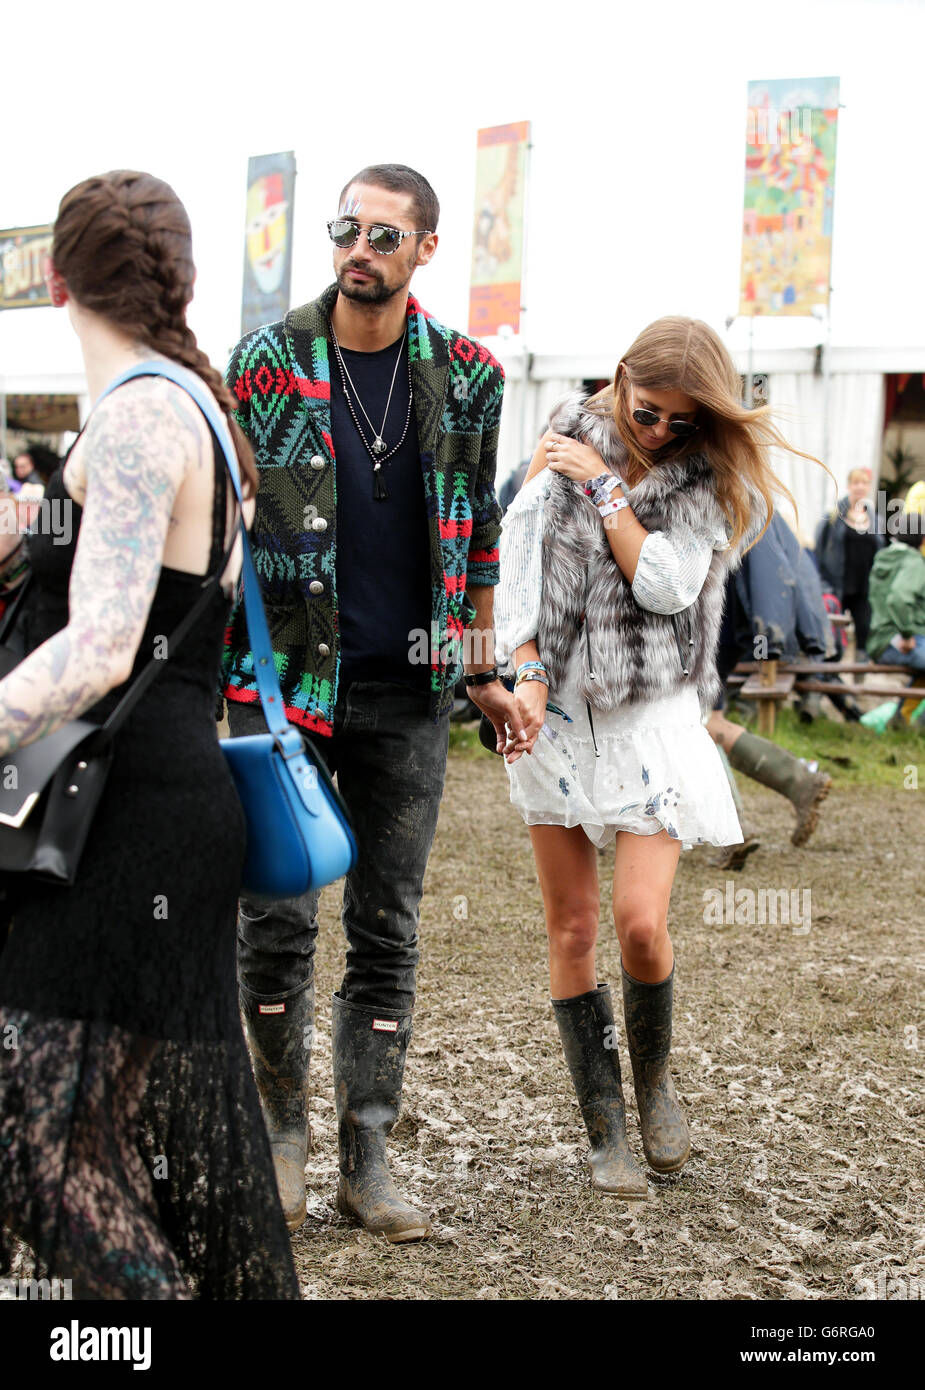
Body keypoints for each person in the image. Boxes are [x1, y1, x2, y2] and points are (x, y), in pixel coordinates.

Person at [0, 170, 299, 1299]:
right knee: (94, 1145)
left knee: (37, 1155)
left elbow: (101, 647)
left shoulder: (138, 414)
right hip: (146, 814)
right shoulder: (187, 405)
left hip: (128, 826)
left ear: (59, 279)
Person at [223, 163, 514, 1241]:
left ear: (424, 248)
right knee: (275, 923)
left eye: (384, 234)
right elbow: (221, 521)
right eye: (347, 227)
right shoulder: (264, 365)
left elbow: (477, 531)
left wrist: (483, 668)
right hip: (284, 688)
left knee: (386, 927)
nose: (359, 247)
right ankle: (280, 1141)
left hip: (410, 691)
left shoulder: (469, 376)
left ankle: (368, 1160)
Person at [495, 317, 817, 1196]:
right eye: (648, 411)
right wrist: (520, 673)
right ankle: (603, 1131)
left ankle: (655, 1082)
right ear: (618, 377)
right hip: (556, 719)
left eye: (680, 420)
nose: (661, 431)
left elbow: (665, 586)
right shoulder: (559, 435)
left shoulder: (705, 480)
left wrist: (605, 487)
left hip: (651, 723)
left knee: (639, 924)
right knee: (571, 928)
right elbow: (512, 574)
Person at [867, 481, 925, 723]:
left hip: (879, 639)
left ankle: (901, 721)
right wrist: (907, 634)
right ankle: (916, 726)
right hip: (899, 642)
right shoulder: (913, 562)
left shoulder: (885, 557)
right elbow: (898, 599)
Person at [814, 466, 884, 656]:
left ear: (869, 487)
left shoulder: (875, 519)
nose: (860, 487)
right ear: (849, 486)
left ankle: (859, 681)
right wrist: (822, 584)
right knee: (834, 634)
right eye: (856, 482)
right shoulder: (833, 517)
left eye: (864, 482)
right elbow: (819, 553)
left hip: (864, 588)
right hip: (838, 585)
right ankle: (831, 674)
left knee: (864, 633)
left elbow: (881, 551)